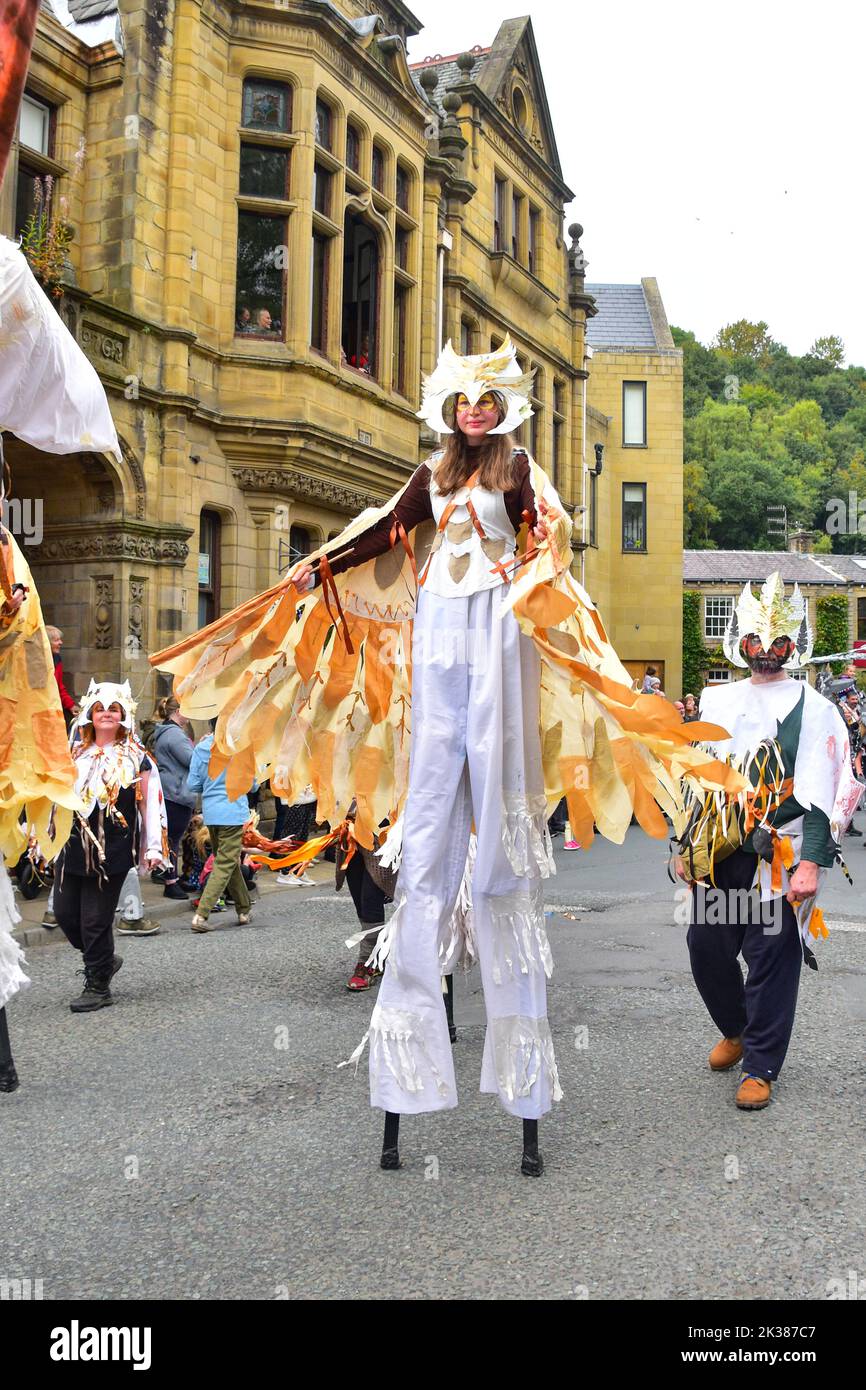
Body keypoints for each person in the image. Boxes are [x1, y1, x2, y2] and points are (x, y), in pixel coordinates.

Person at [153, 336, 730, 1173]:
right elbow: (389, 530)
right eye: (463, 400)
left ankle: (496, 865)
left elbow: (550, 538)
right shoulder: (434, 474)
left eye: (486, 401)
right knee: (436, 781)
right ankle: (426, 907)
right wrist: (322, 567)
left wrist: (540, 557)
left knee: (494, 759)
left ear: (503, 410)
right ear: (449, 408)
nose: (474, 411)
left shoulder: (518, 469)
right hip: (439, 624)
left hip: (498, 623)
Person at [676, 574, 861, 1111]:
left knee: (770, 959)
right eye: (757, 640)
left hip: (781, 855)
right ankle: (735, 1029)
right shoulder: (715, 699)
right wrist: (685, 846)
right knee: (706, 950)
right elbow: (698, 775)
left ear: (792, 642)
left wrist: (811, 864)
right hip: (719, 848)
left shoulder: (816, 707)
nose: (765, 650)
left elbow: (826, 791)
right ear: (742, 639)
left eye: (777, 641)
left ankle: (759, 1064)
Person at [54, 681, 168, 1012]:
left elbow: (151, 804)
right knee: (65, 915)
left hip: (113, 852)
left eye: (113, 709)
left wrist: (153, 847)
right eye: (100, 708)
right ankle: (103, 956)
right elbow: (52, 800)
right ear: (90, 714)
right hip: (72, 848)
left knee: (94, 921)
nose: (106, 713)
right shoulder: (72, 754)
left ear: (123, 717)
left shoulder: (138, 758)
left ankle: (98, 984)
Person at [186, 722, 256, 931]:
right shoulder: (243, 746)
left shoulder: (202, 747)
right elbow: (253, 784)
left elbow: (193, 784)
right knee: (225, 863)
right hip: (234, 813)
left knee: (227, 861)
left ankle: (244, 909)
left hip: (211, 813)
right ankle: (201, 915)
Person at [149, 695, 196, 896]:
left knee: (170, 838)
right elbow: (192, 760)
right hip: (175, 792)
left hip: (171, 790)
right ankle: (170, 882)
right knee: (172, 839)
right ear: (178, 712)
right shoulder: (175, 735)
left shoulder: (167, 732)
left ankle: (171, 877)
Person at [45, 625, 77, 729]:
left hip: (54, 707)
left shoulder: (57, 659)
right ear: (47, 643)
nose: (61, 643)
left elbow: (59, 686)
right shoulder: (38, 662)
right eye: (56, 640)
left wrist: (71, 705)